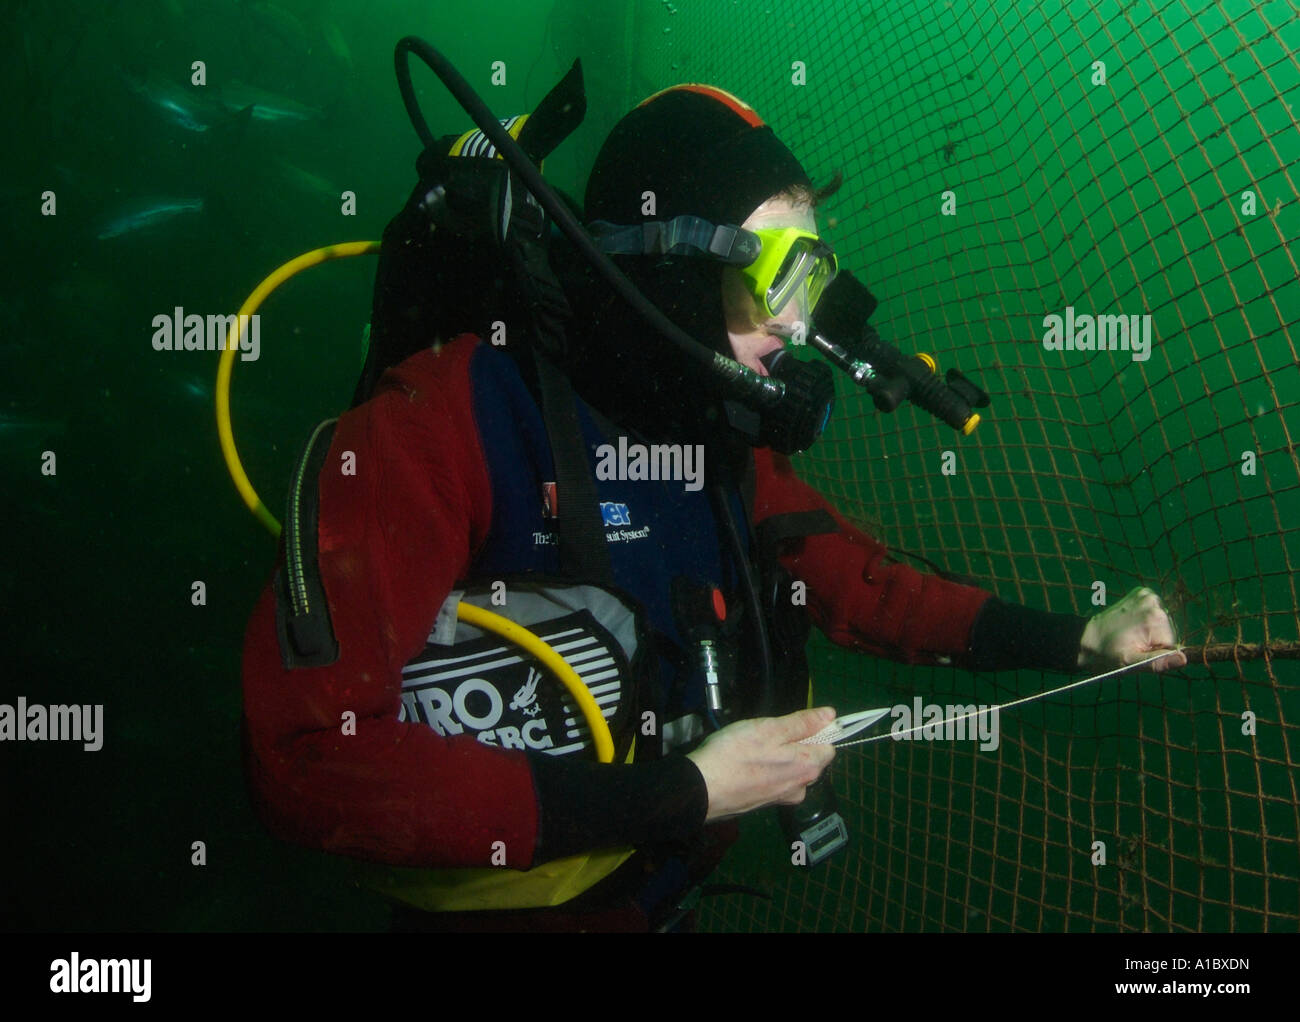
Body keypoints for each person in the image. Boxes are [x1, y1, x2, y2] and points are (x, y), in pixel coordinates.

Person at [240, 82, 1185, 932]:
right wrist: (687, 794)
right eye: (774, 275)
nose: (796, 324)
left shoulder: (719, 450)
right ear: (671, 266)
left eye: (812, 279)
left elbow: (861, 588)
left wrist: (1079, 640)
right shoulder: (443, 425)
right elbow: (304, 757)